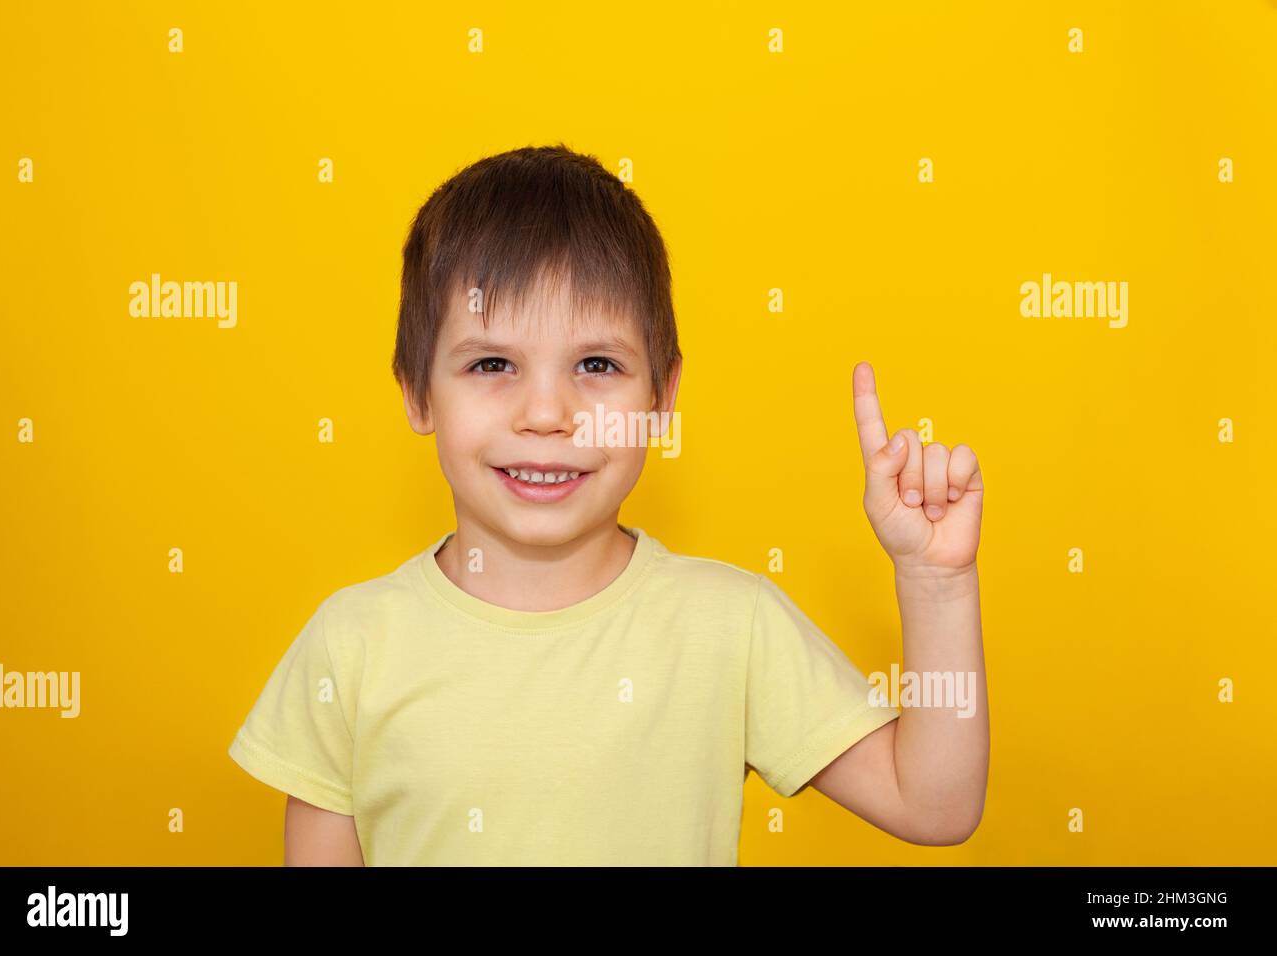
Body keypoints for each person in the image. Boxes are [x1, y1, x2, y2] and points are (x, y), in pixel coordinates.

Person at [227, 143, 988, 865]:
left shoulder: (731, 625)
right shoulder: (350, 648)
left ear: (661, 397)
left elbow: (934, 806)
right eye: (492, 363)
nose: (548, 413)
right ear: (417, 392)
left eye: (597, 364)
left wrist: (937, 585)